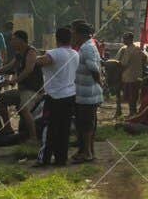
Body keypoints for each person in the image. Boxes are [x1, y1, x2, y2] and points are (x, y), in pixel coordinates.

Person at [33, 26, 79, 166]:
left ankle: (44, 159)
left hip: (54, 97)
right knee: (64, 129)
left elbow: (37, 62)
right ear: (70, 39)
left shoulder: (54, 54)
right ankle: (61, 159)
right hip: (70, 95)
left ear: (56, 38)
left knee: (49, 128)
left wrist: (34, 55)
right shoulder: (75, 54)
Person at [72, 21, 103, 163]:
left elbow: (94, 69)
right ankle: (87, 151)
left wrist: (99, 83)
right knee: (85, 123)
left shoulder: (87, 48)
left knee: (86, 124)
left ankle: (87, 153)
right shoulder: (87, 46)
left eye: (74, 33)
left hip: (88, 94)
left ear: (80, 34)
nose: (73, 36)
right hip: (85, 92)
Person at [116, 32, 147, 118]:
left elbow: (123, 64)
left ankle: (132, 112)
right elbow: (144, 58)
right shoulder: (138, 48)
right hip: (138, 76)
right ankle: (134, 111)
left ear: (130, 39)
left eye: (125, 39)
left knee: (131, 96)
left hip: (129, 76)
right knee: (134, 95)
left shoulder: (128, 50)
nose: (124, 41)